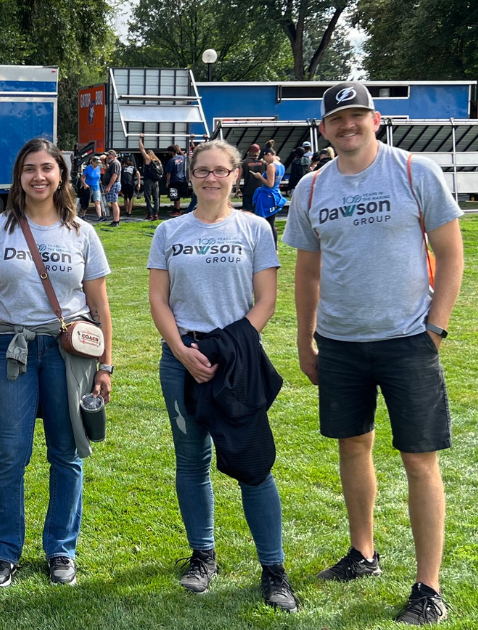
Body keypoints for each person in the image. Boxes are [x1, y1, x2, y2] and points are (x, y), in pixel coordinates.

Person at [283, 82, 464, 626]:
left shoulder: (414, 171)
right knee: (353, 447)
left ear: (376, 119)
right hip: (340, 344)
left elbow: (451, 256)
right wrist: (305, 338)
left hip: (408, 341)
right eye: (337, 119)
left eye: (357, 115)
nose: (348, 125)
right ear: (324, 129)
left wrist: (434, 330)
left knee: (419, 459)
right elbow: (308, 272)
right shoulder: (311, 189)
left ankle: (427, 587)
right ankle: (363, 553)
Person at [146, 139, 295, 611]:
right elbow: (158, 300)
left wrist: (227, 349)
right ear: (190, 177)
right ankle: (202, 555)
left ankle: (273, 569)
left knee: (254, 466)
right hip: (182, 360)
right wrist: (183, 351)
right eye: (201, 171)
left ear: (236, 175)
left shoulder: (254, 228)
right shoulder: (169, 231)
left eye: (220, 171)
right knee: (192, 461)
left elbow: (266, 300)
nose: (211, 178)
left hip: (238, 361)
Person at [0, 137, 114, 588]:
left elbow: (100, 305)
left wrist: (106, 365)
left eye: (48, 168)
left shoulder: (82, 232)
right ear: (19, 176)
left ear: (61, 175)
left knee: (66, 453)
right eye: (29, 168)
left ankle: (60, 549)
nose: (38, 176)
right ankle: (4, 551)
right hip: (10, 349)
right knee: (11, 455)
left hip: (67, 352)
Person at [249, 142, 285, 245]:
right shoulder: (280, 165)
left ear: (268, 154)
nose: (264, 160)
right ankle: (274, 246)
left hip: (267, 196)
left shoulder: (271, 166)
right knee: (271, 222)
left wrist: (259, 177)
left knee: (262, 222)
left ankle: (262, 245)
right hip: (276, 194)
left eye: (264, 157)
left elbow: (270, 184)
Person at [138, 134, 164, 220]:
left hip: (148, 180)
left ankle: (150, 214)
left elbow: (142, 149)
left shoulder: (148, 159)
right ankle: (156, 213)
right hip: (156, 181)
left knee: (148, 197)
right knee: (156, 198)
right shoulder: (158, 161)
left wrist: (140, 139)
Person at [238, 144, 266, 214]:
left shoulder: (243, 163)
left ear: (249, 152)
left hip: (248, 191)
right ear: (259, 152)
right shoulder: (263, 163)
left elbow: (239, 177)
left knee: (247, 213)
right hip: (260, 191)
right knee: (259, 212)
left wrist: (237, 188)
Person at [165, 145, 189, 217]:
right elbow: (186, 157)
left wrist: (167, 182)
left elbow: (168, 173)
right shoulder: (182, 158)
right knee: (177, 196)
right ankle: (175, 210)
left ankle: (177, 210)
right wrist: (180, 150)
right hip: (182, 179)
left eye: (169, 151)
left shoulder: (171, 160)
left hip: (174, 179)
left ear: (171, 152)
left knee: (175, 196)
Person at [79, 156, 103, 221]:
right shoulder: (88, 168)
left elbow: (98, 177)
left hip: (96, 186)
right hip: (89, 186)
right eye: (96, 162)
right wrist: (85, 184)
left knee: (97, 201)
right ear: (92, 162)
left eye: (98, 163)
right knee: (86, 201)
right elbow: (82, 177)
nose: (97, 164)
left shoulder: (98, 168)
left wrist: (99, 181)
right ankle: (83, 215)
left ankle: (100, 216)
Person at [103, 149, 122, 226]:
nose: (107, 157)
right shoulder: (112, 163)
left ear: (113, 156)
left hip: (114, 185)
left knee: (114, 203)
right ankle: (115, 220)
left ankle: (116, 221)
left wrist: (109, 186)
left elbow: (114, 175)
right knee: (113, 203)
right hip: (113, 185)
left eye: (108, 155)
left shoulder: (115, 163)